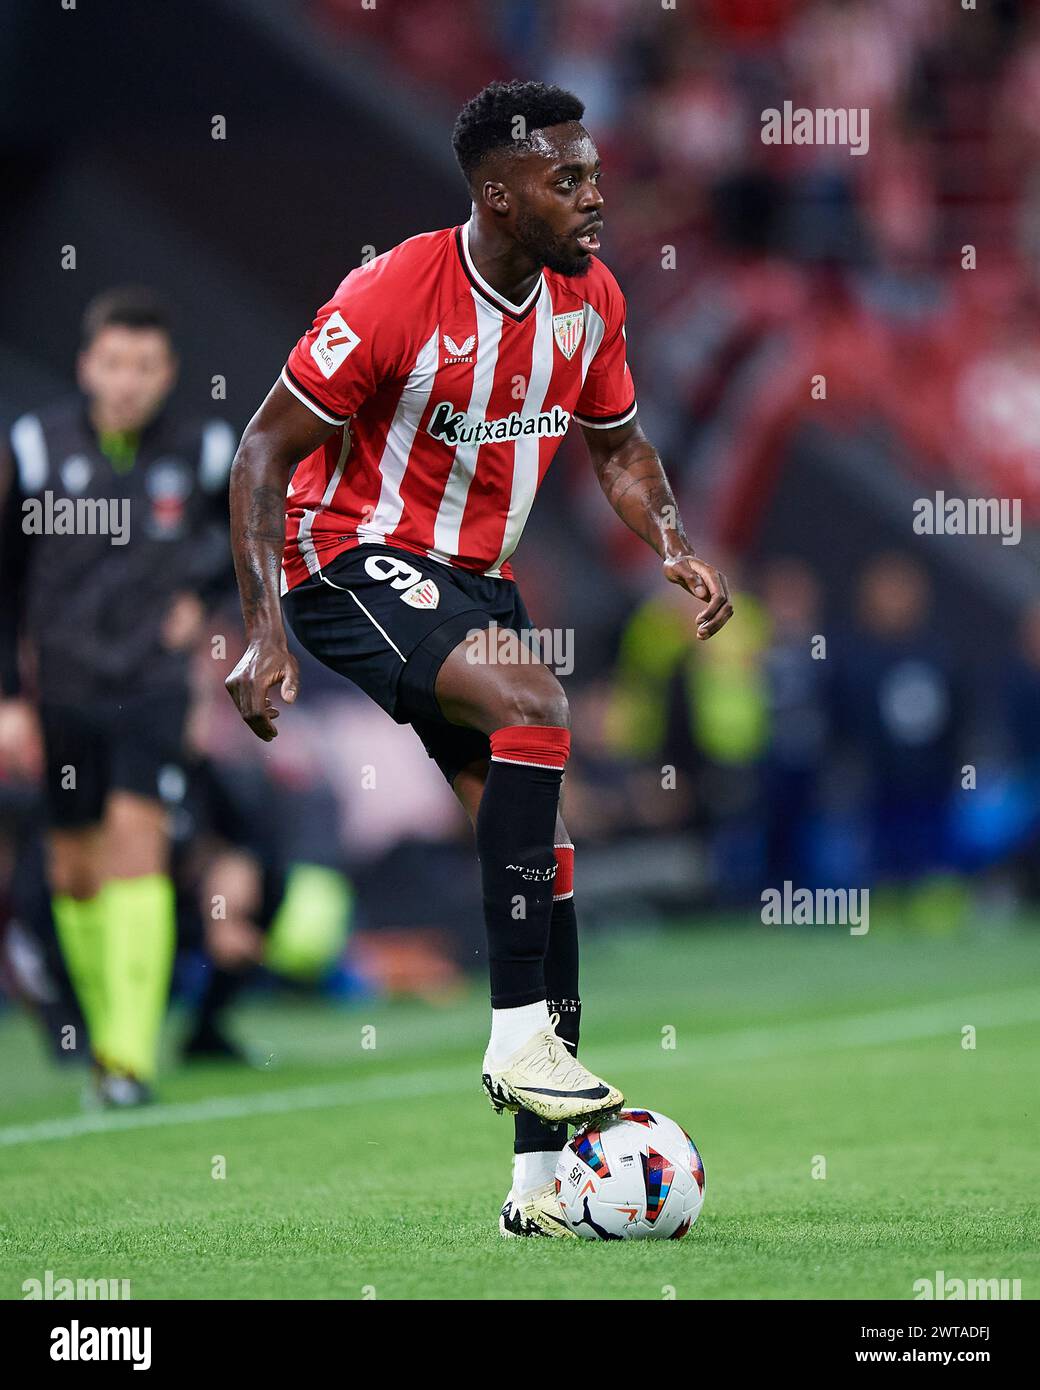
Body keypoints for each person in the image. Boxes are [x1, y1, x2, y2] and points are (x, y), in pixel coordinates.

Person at [224, 81, 733, 1236]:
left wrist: (670, 542)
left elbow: (619, 446)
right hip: (345, 555)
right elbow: (261, 449)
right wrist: (262, 632)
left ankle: (539, 1193)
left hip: (470, 582)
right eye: (569, 180)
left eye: (595, 173)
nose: (596, 196)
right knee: (534, 698)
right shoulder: (394, 292)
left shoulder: (586, 299)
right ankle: (516, 1040)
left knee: (542, 855)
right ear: (498, 195)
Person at [0, 287, 235, 1104]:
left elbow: (248, 540)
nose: (128, 380)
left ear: (169, 372)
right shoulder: (34, 446)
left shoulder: (205, 448)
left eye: (145, 365)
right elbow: (5, 576)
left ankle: (127, 1060)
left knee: (138, 846)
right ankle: (107, 1038)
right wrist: (8, 696)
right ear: (85, 366)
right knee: (73, 870)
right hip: (61, 687)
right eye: (113, 364)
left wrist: (202, 602)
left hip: (152, 684)